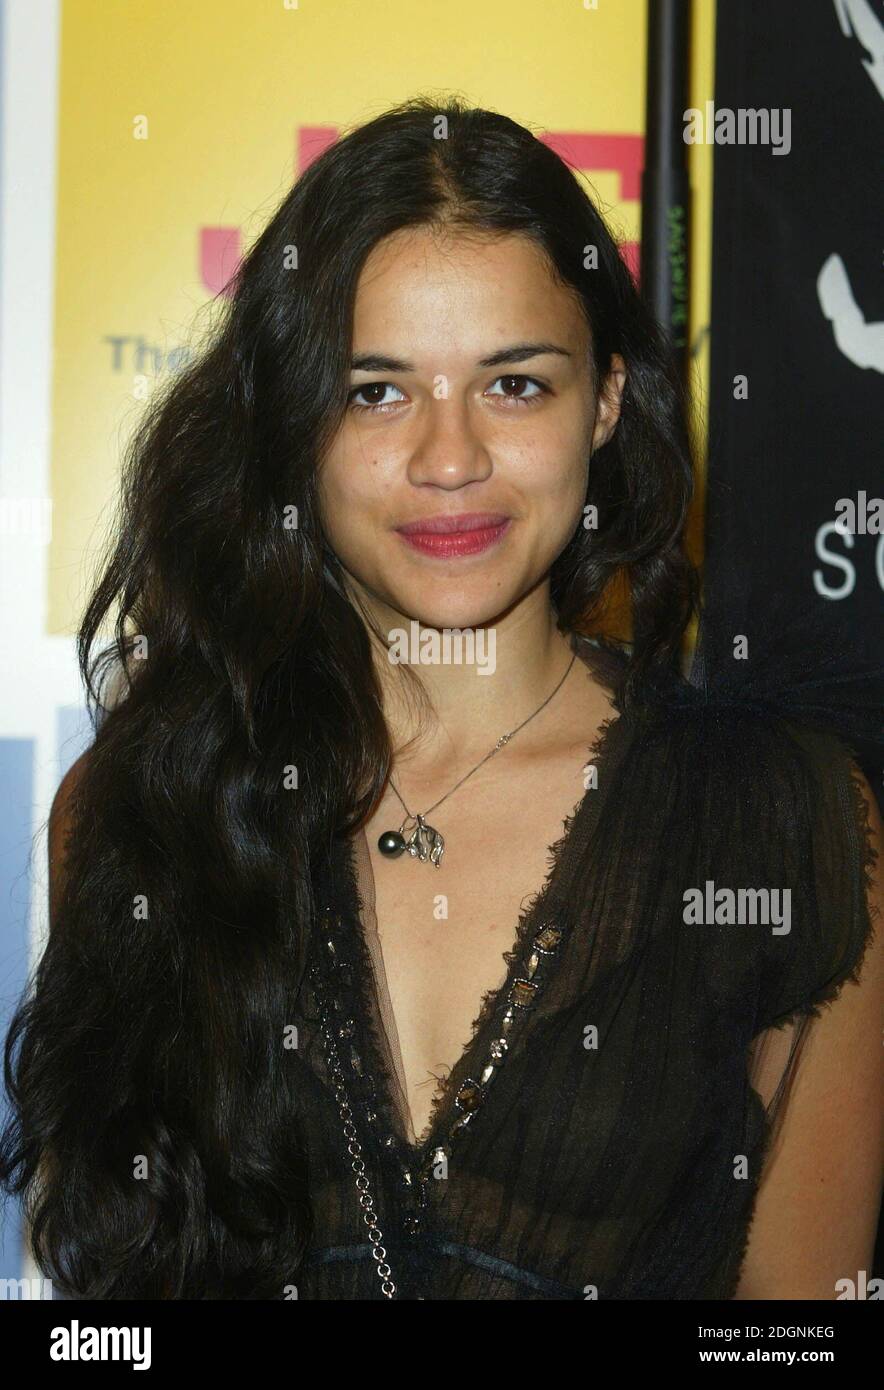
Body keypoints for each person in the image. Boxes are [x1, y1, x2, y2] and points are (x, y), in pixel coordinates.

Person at [1, 97, 881, 1301]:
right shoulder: (141, 810)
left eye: (513, 385)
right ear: (293, 425)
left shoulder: (790, 824)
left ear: (607, 402)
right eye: (375, 391)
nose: (448, 457)